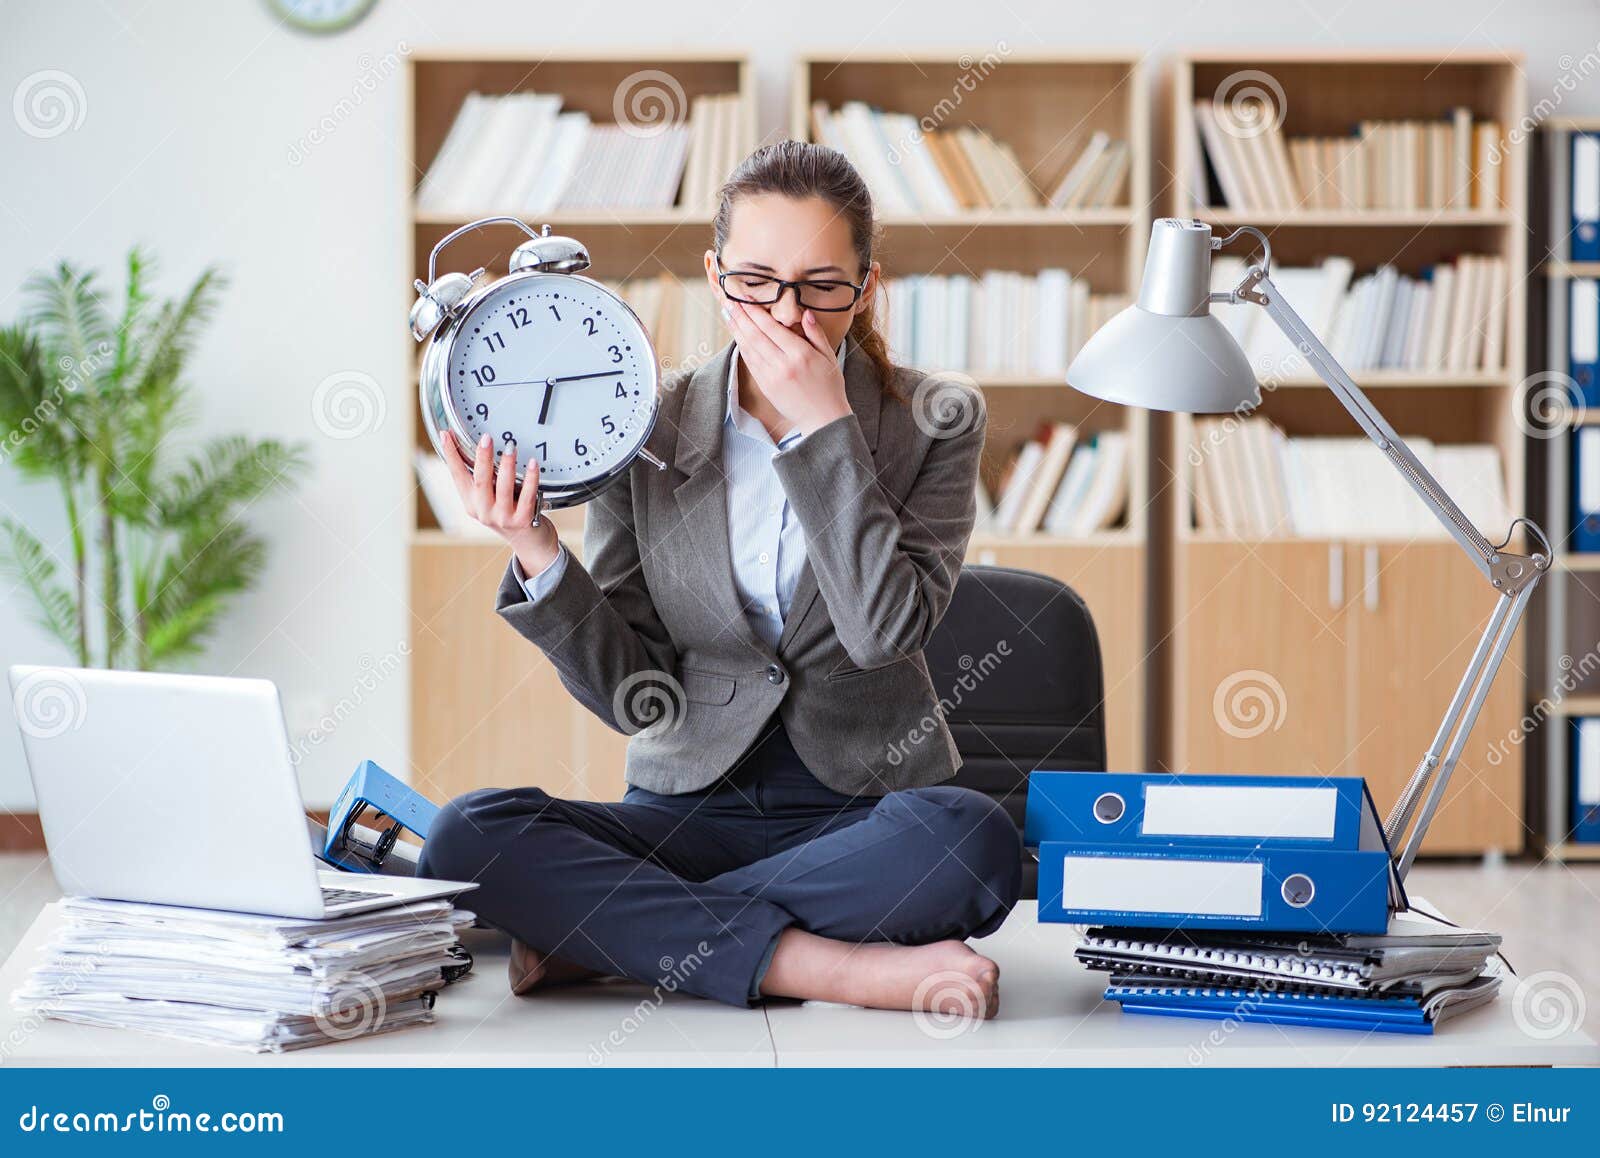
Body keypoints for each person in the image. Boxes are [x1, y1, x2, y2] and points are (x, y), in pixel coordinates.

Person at [418, 140, 1021, 1018]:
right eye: (756, 280)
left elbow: (881, 634)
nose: (786, 312)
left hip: (862, 810)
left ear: (867, 286)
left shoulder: (935, 419)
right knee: (468, 836)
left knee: (973, 844)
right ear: (714, 274)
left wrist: (825, 432)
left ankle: (618, 934)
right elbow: (635, 697)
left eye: (821, 285)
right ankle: (824, 966)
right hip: (685, 809)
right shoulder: (644, 420)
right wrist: (539, 547)